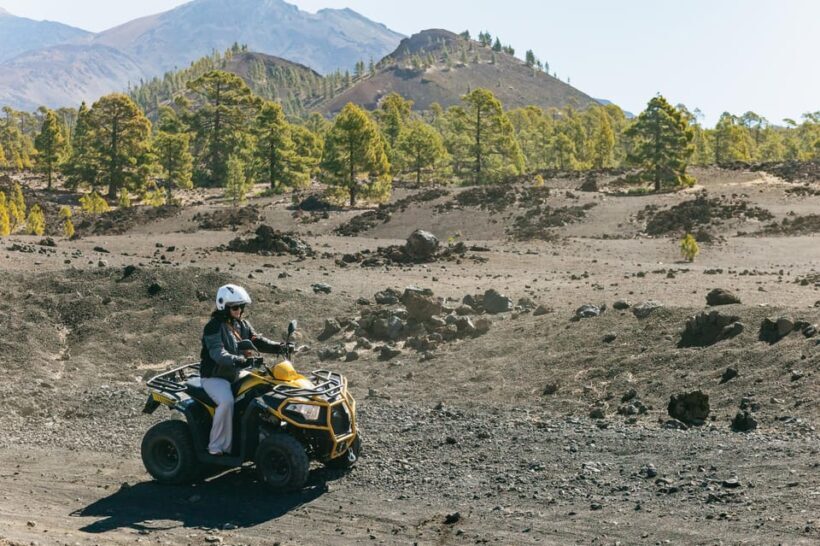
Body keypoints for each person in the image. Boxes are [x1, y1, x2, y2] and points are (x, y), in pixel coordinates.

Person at [200, 284, 282, 455]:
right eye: (235, 307)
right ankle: (216, 446)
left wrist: (280, 347)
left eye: (241, 307)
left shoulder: (241, 324)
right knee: (226, 402)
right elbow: (218, 353)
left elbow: (257, 340)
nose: (239, 311)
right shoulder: (213, 327)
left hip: (236, 373)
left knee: (266, 386)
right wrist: (240, 360)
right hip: (215, 377)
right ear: (224, 306)